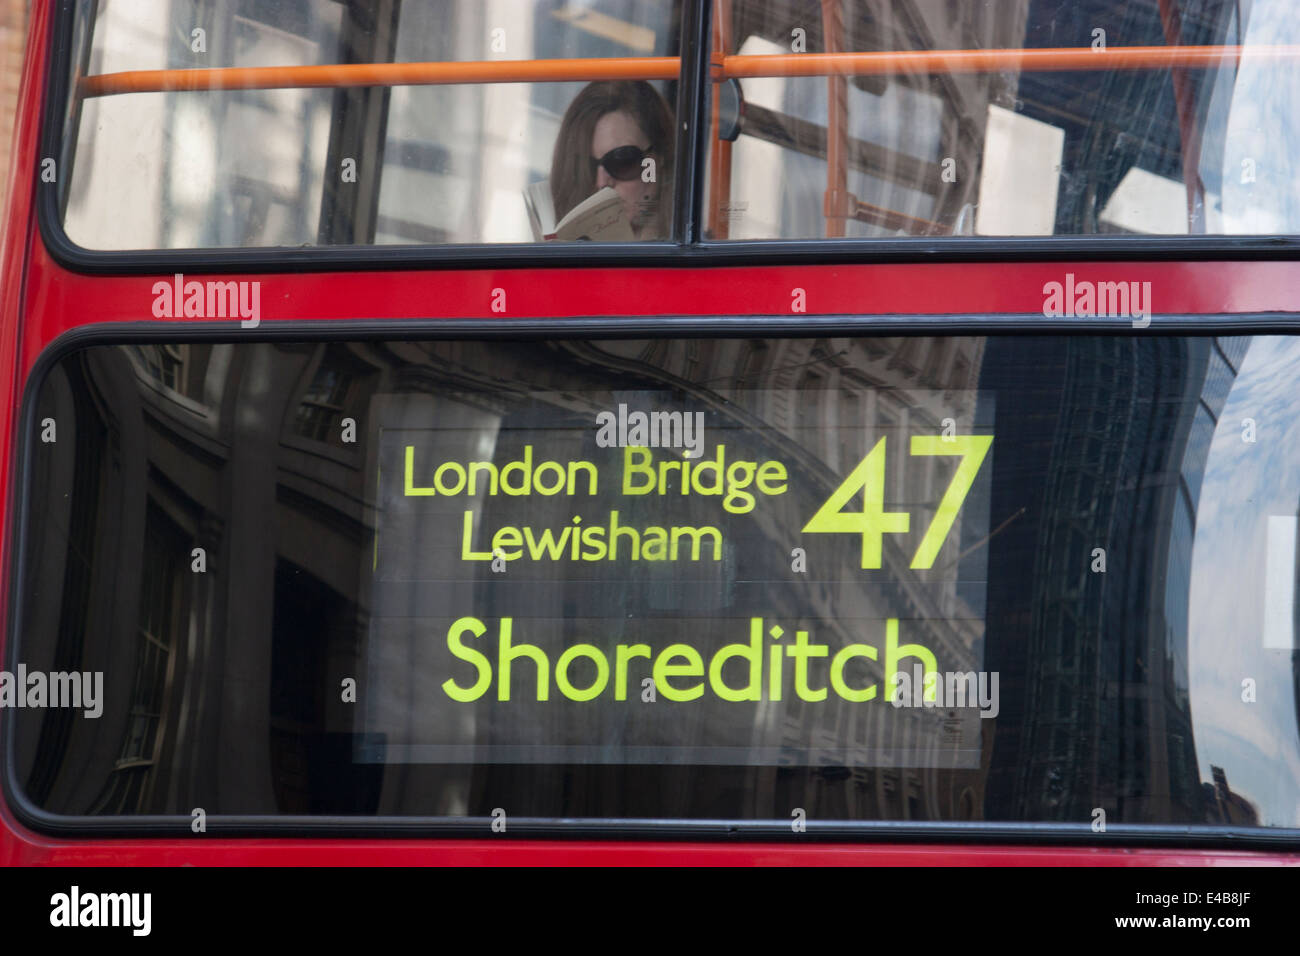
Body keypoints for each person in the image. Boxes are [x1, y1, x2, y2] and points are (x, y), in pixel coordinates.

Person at [550, 80, 674, 240]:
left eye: (622, 161)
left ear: (660, 157)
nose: (601, 183)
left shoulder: (706, 254)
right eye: (587, 168)